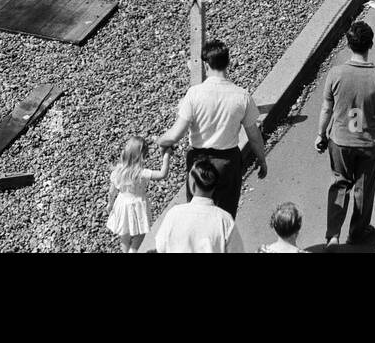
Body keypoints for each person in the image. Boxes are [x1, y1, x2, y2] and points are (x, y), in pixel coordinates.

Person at [155, 38, 269, 220]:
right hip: (228, 163)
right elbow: (253, 136)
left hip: (198, 162)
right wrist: (262, 160)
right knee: (225, 218)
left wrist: (160, 141)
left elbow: (176, 134)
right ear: (228, 63)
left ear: (206, 65)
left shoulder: (194, 94)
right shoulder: (242, 96)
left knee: (198, 216)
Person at [315, 20, 375, 248]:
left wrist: (320, 134)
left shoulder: (335, 73)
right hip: (369, 142)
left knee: (339, 183)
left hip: (340, 140)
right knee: (363, 187)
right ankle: (358, 232)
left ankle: (333, 235)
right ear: (371, 44)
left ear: (348, 45)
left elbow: (326, 108)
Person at [153, 158, 245, 254]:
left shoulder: (174, 213)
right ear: (214, 187)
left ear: (192, 185)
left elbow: (160, 246)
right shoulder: (224, 220)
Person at [105, 137, 170, 254]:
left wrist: (110, 204)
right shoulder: (141, 172)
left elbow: (112, 191)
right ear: (142, 156)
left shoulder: (118, 171)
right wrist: (166, 156)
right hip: (138, 204)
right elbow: (162, 174)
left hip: (122, 203)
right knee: (140, 232)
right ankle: (133, 250)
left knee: (124, 233)